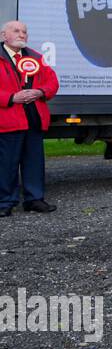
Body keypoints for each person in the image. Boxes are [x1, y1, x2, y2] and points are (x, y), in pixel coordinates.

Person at [0, 20, 59, 216]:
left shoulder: (36, 57)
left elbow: (53, 82)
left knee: (34, 163)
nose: (21, 34)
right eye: (16, 31)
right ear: (3, 36)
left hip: (33, 119)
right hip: (8, 121)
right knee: (6, 164)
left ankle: (35, 199)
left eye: (24, 31)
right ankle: (5, 202)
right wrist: (11, 97)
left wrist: (40, 91)